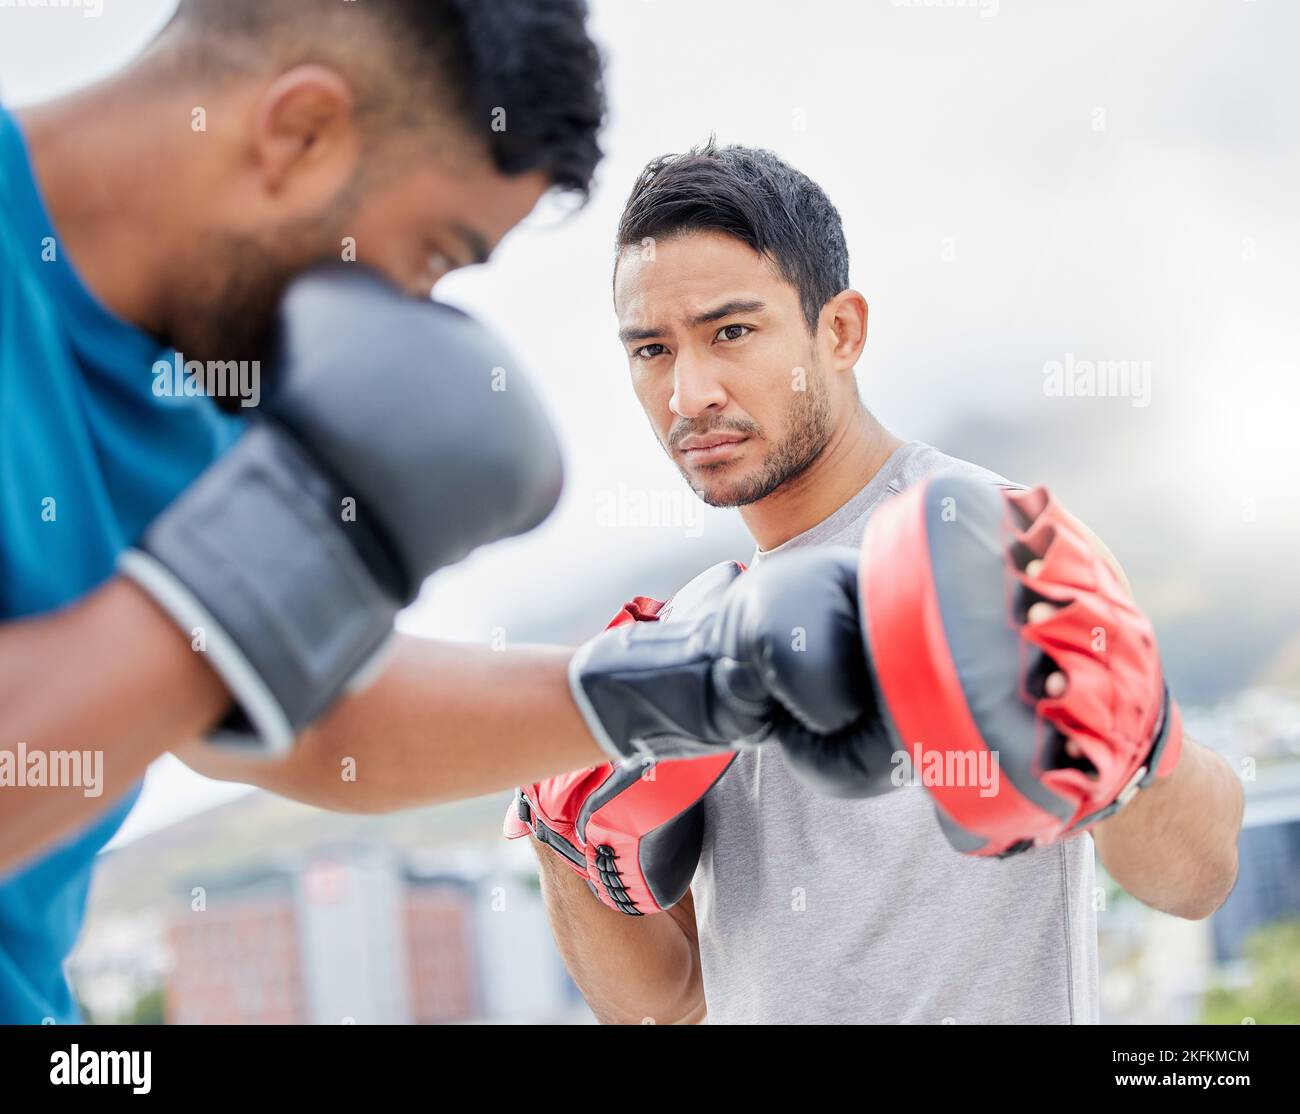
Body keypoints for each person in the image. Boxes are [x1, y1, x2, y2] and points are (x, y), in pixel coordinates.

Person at [0, 3, 884, 1024]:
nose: (407, 315)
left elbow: (310, 717)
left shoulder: (187, 386)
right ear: (298, 134)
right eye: (430, 254)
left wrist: (686, 684)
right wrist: (272, 559)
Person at [507, 143, 1245, 1024]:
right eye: (653, 350)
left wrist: (1118, 742)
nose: (689, 392)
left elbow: (1196, 876)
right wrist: (563, 838)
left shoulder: (989, 548)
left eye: (730, 333)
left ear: (841, 331)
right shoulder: (695, 633)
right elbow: (661, 1002)